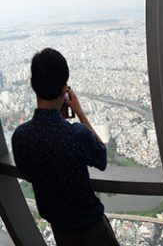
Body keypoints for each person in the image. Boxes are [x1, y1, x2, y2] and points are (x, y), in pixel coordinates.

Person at [11, 48, 118, 245]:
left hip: (60, 231)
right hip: (93, 228)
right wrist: (80, 112)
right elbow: (101, 158)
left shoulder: (20, 136)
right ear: (64, 88)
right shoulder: (76, 133)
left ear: (32, 84)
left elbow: (28, 173)